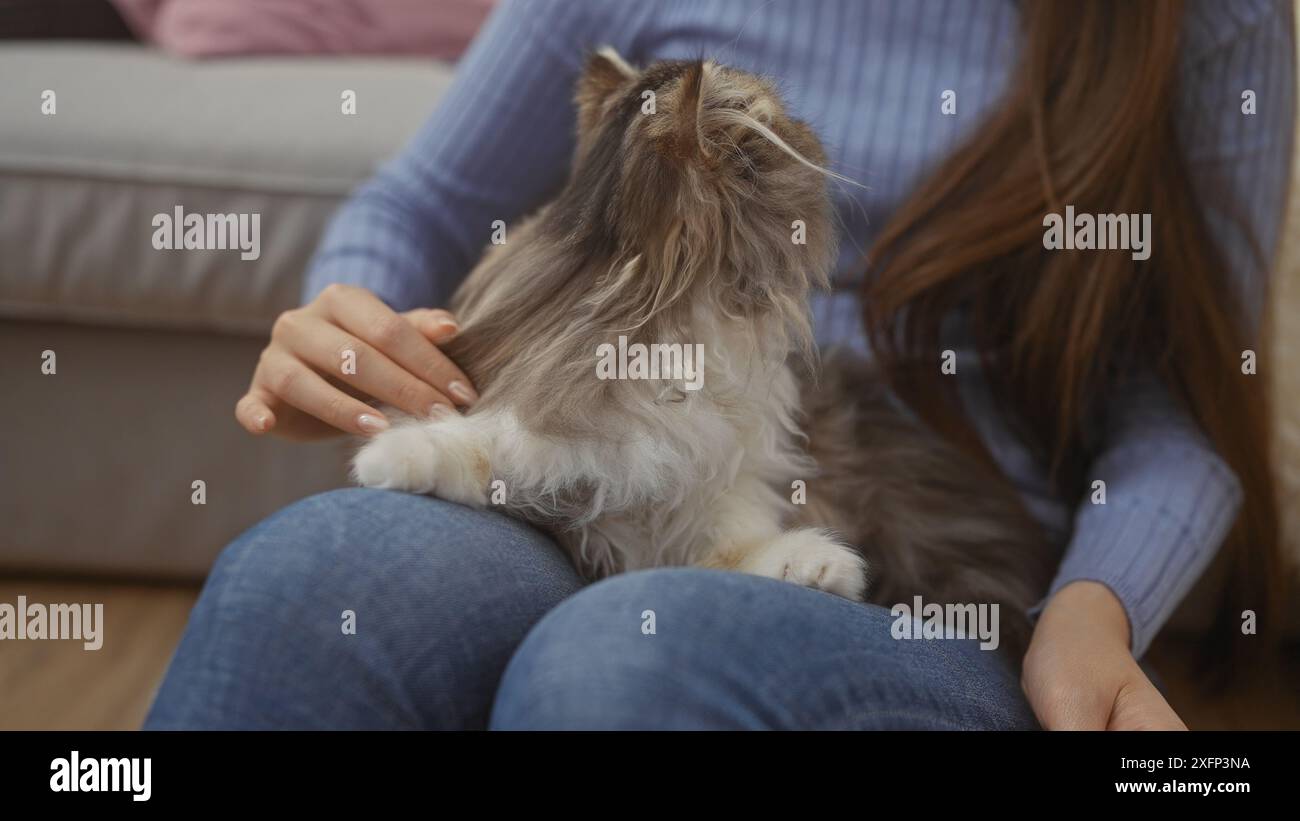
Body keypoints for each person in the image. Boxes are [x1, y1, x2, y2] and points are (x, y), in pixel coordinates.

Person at [146, 0, 1295, 730]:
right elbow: (419, 204)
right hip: (575, 474)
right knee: (308, 581)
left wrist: (1092, 616)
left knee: (623, 667)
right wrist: (352, 330)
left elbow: (1187, 399)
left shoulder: (1206, 20)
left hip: (919, 571)